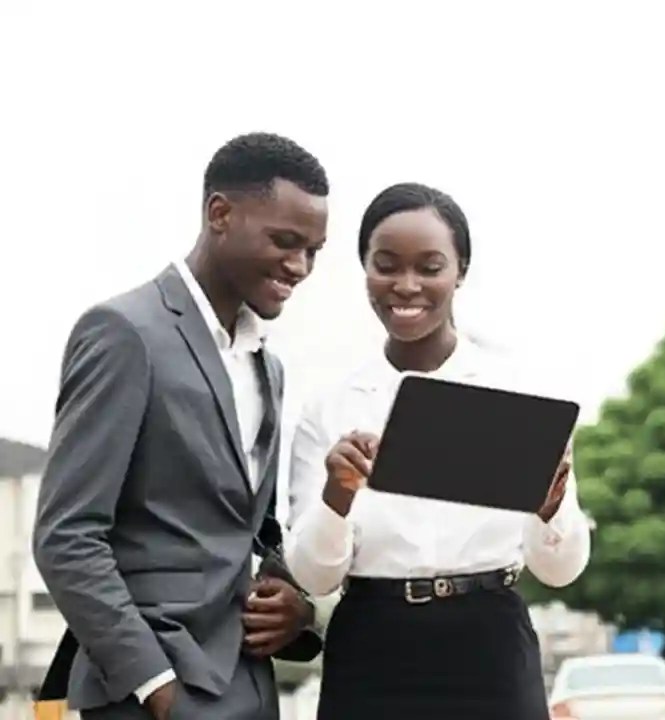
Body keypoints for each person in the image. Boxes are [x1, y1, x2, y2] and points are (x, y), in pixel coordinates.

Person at [31, 132, 331, 720]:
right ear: (220, 214)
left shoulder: (266, 366)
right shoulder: (125, 333)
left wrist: (298, 607)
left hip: (248, 683)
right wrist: (155, 684)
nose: (299, 267)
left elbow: (248, 529)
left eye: (314, 251)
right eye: (285, 242)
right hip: (148, 695)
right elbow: (66, 536)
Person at [286, 182, 591, 719]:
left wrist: (549, 507)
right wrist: (336, 499)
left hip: (490, 649)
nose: (406, 286)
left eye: (430, 267)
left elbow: (562, 569)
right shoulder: (330, 407)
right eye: (386, 265)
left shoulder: (518, 394)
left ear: (460, 271)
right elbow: (314, 577)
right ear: (365, 270)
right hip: (371, 652)